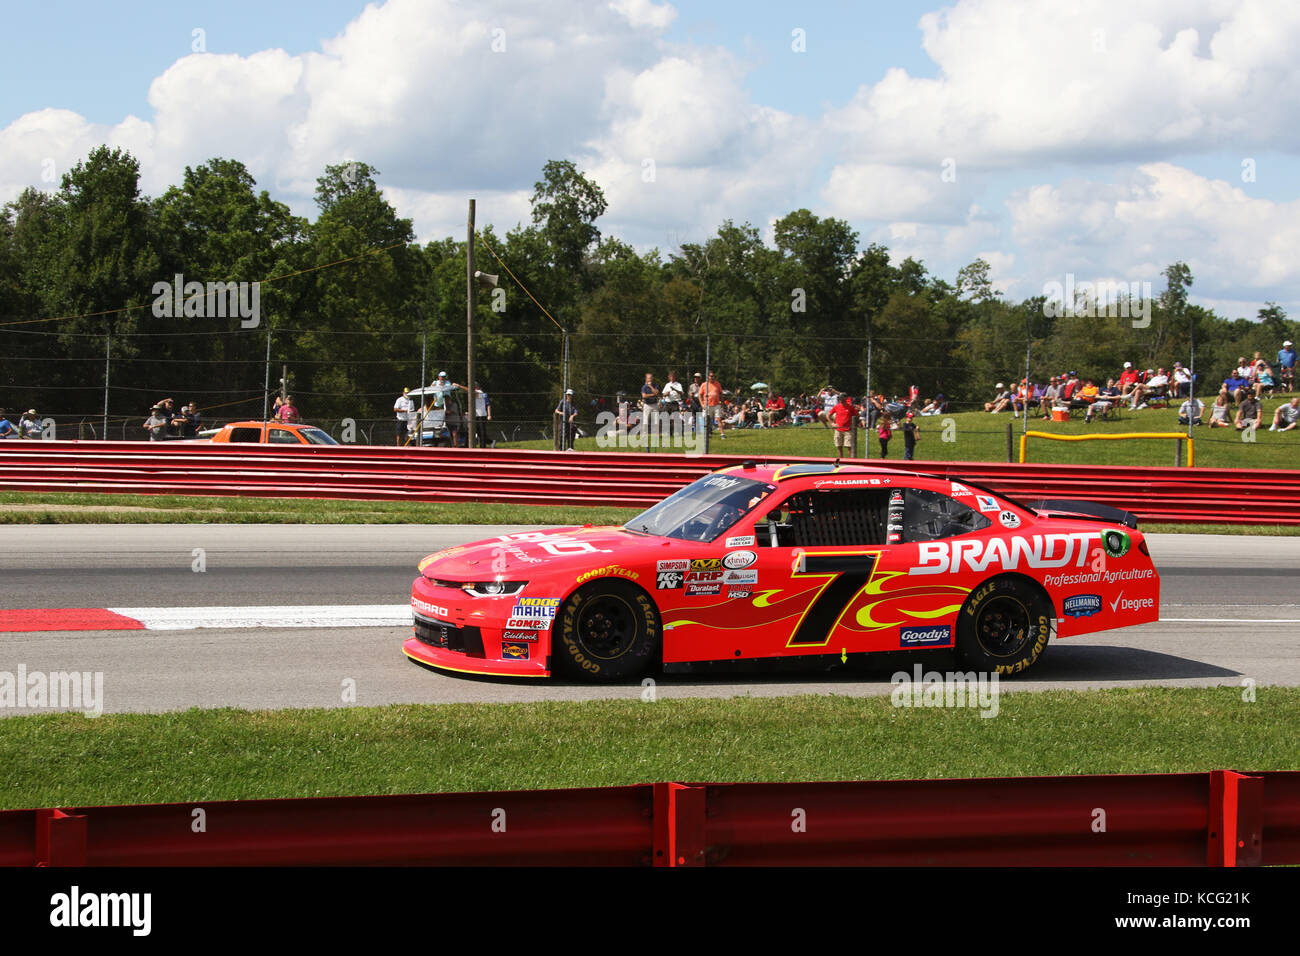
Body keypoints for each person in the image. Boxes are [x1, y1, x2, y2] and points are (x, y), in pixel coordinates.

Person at [830, 392, 857, 463]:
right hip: (838, 429)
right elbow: (828, 415)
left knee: (849, 446)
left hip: (848, 430)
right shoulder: (836, 406)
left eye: (841, 398)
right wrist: (832, 423)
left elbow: (856, 415)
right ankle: (841, 460)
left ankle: (851, 461)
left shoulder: (850, 407)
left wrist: (854, 424)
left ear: (845, 398)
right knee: (839, 446)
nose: (840, 399)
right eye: (839, 398)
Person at [704, 372, 725, 439]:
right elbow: (700, 395)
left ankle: (722, 434)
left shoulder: (717, 384)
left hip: (716, 404)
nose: (712, 377)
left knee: (719, 419)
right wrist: (702, 404)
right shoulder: (704, 384)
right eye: (710, 376)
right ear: (708, 377)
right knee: (708, 420)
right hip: (708, 404)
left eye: (713, 376)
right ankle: (709, 433)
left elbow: (721, 394)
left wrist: (722, 402)